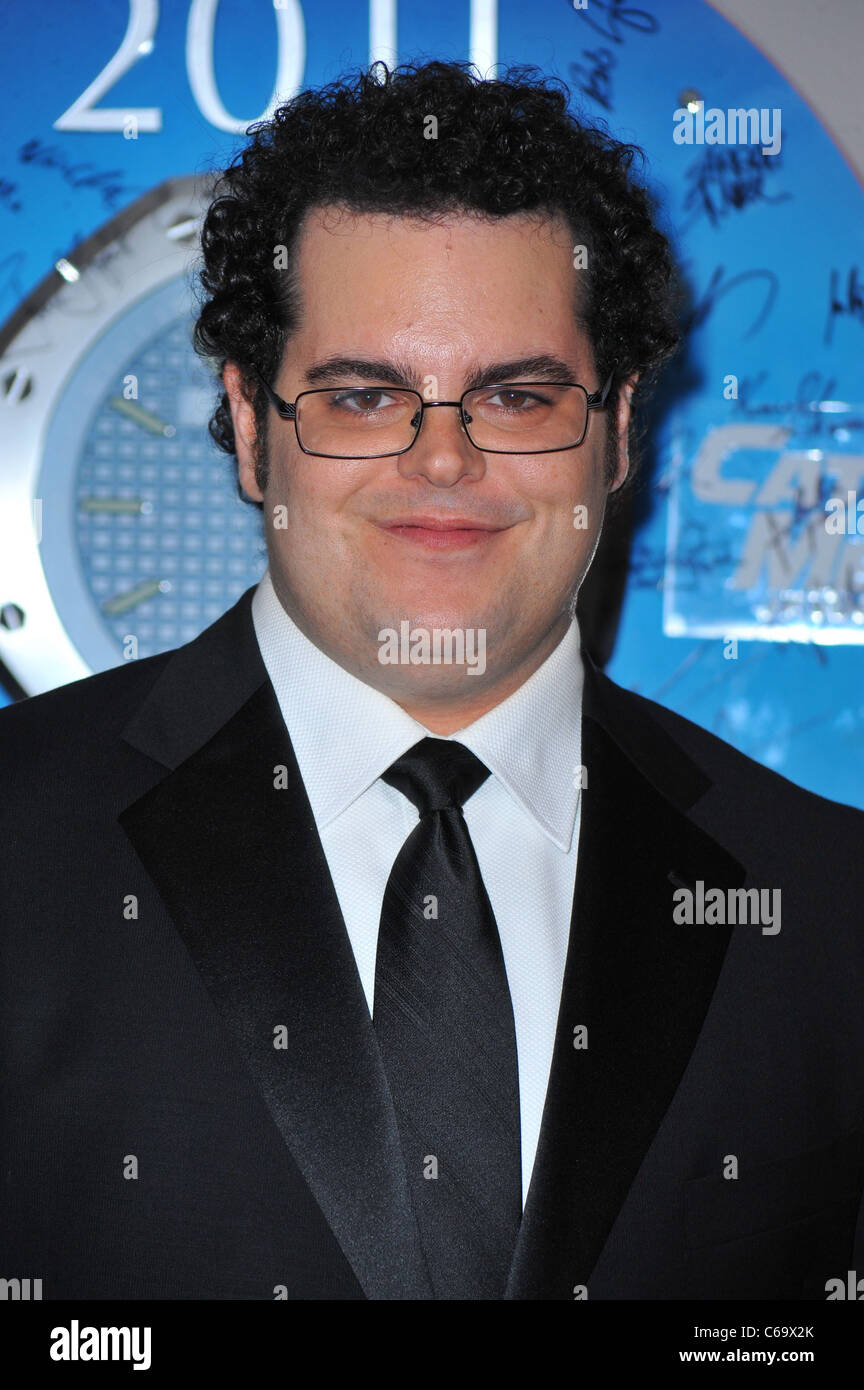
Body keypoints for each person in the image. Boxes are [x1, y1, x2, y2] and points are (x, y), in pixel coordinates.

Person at [2, 61, 862, 1302]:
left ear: (618, 430)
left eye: (518, 395)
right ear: (252, 426)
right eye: (365, 396)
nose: (444, 459)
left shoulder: (829, 907)